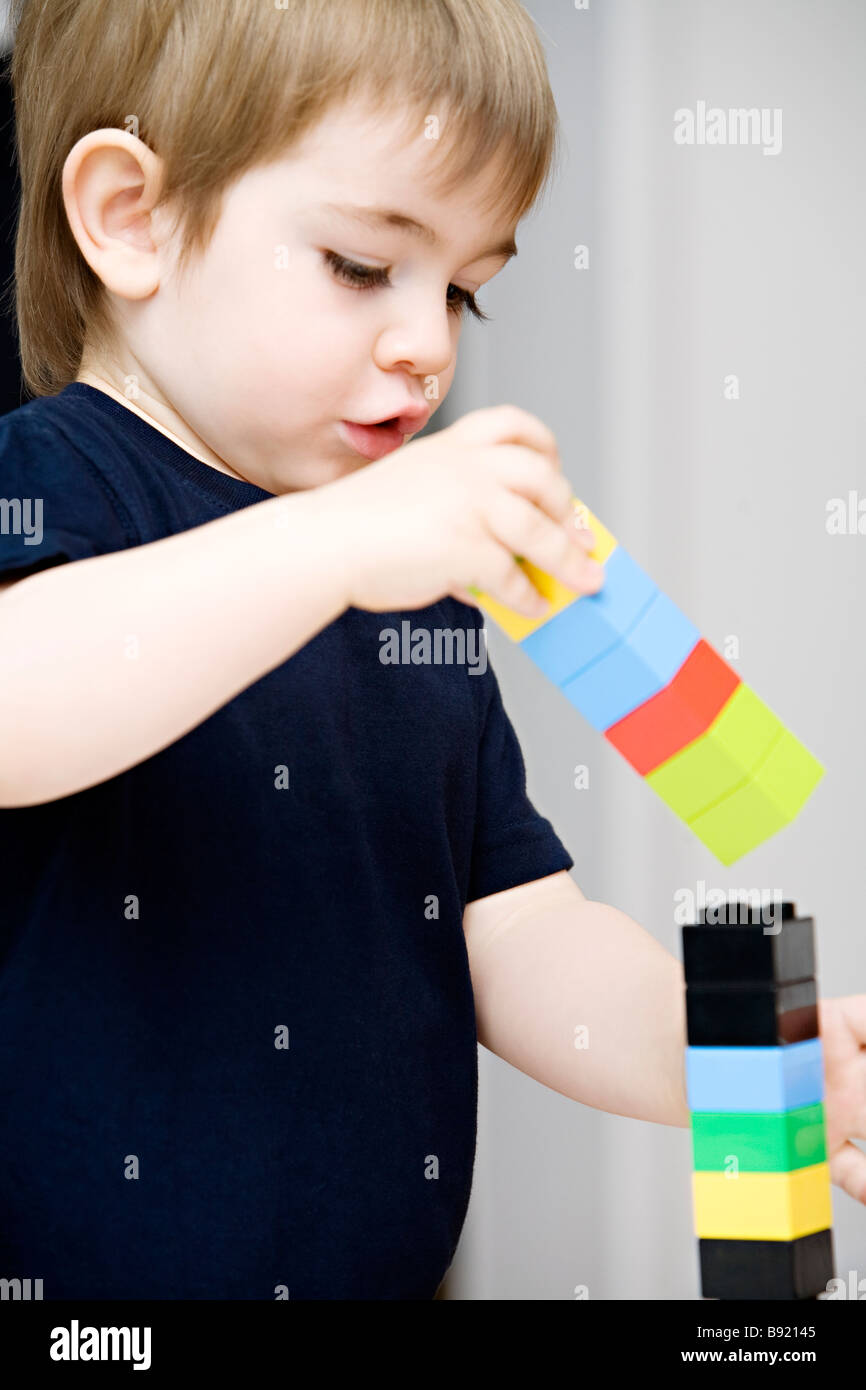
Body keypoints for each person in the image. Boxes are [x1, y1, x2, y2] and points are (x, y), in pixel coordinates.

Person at [1, 0, 863, 1300]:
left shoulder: (420, 606)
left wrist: (740, 1052)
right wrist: (337, 547)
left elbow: (518, 937)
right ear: (133, 217)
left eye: (464, 288)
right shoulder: (52, 480)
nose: (428, 343)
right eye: (362, 263)